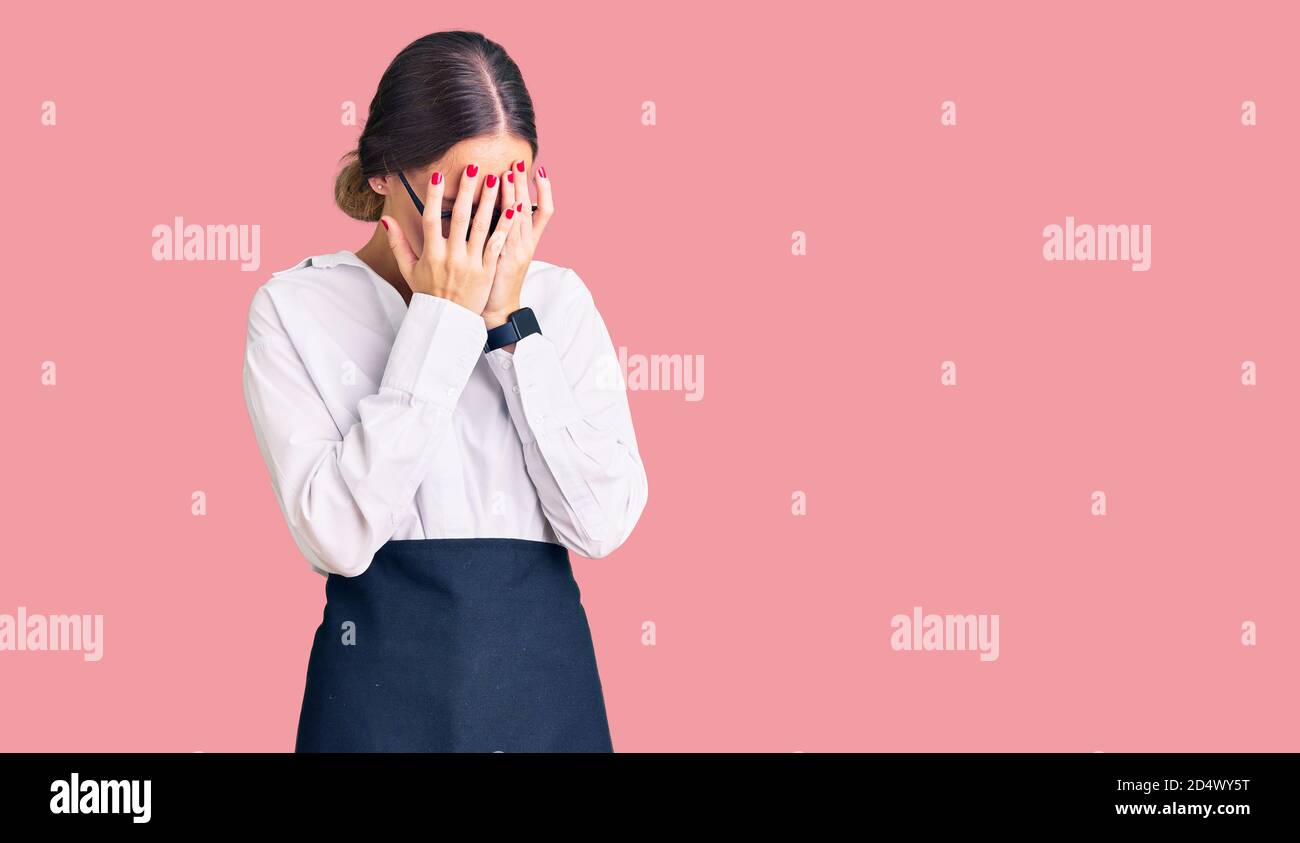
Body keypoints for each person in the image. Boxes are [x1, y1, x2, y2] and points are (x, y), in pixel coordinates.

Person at [241, 30, 648, 752]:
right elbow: (336, 534)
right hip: (375, 696)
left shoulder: (558, 301)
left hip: (544, 693)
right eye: (461, 203)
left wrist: (510, 325)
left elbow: (603, 522)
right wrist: (441, 319)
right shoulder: (295, 308)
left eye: (507, 201)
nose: (488, 232)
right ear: (381, 176)